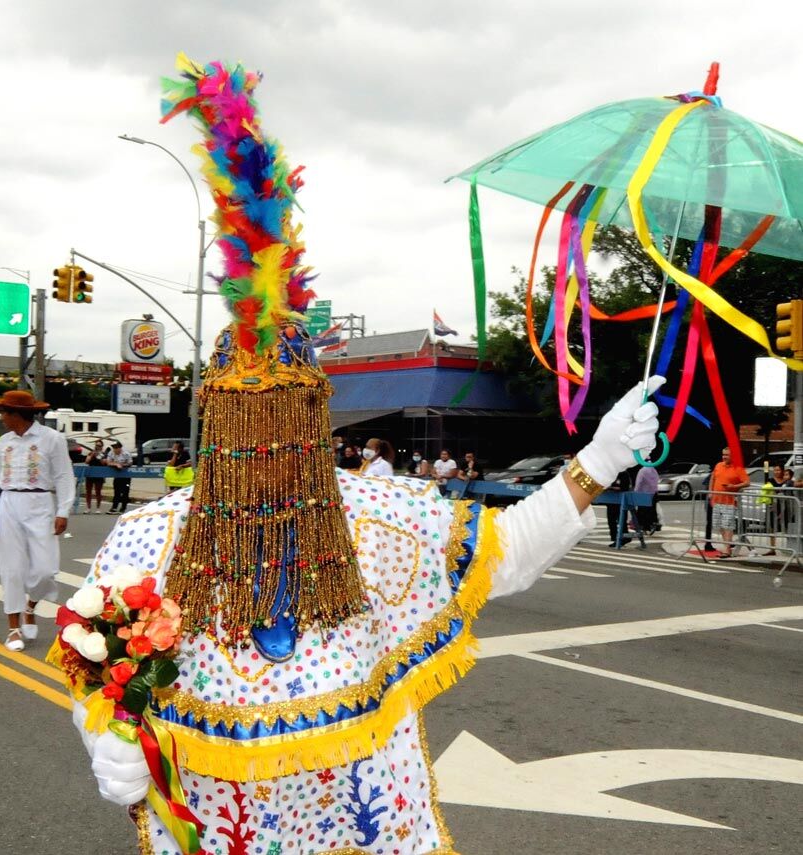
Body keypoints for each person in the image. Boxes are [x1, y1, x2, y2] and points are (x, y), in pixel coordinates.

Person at [59, 57, 664, 855]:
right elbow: (94, 666)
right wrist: (102, 734)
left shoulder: (378, 518)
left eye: (278, 418)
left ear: (313, 417)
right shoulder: (150, 540)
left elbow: (507, 554)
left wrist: (599, 460)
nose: (262, 446)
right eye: (246, 420)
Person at [0, 390, 75, 651]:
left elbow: (65, 477)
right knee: (11, 569)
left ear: (16, 414)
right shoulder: (3, 443)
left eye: (3, 412)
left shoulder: (52, 439)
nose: (1, 417)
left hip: (41, 504)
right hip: (9, 503)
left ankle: (30, 604)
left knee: (46, 570)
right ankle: (13, 628)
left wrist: (63, 511)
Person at [708, 446, 749, 557]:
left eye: (727, 455)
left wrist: (734, 486)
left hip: (729, 501)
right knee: (719, 525)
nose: (724, 457)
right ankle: (727, 545)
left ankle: (727, 549)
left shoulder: (738, 468)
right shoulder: (718, 465)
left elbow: (746, 482)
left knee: (728, 525)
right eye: (723, 454)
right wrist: (710, 492)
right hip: (717, 500)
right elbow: (713, 477)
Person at [605, 467, 633, 547]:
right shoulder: (612, 474)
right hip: (611, 500)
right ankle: (615, 538)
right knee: (611, 520)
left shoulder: (624, 474)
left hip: (621, 501)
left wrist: (612, 488)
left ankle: (623, 537)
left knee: (621, 520)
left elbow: (624, 487)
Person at [105, 440, 132, 514]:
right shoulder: (111, 453)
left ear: (120, 448)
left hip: (126, 475)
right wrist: (116, 464)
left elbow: (130, 462)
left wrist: (122, 465)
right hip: (117, 475)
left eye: (116, 448)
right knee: (116, 491)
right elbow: (108, 462)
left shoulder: (126, 453)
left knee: (125, 491)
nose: (115, 449)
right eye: (114, 448)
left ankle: (123, 508)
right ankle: (114, 507)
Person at [634, 463, 660, 535]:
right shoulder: (654, 470)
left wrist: (636, 492)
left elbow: (638, 483)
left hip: (644, 494)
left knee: (642, 510)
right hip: (653, 494)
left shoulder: (642, 471)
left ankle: (643, 527)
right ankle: (653, 523)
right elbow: (657, 480)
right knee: (652, 510)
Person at [83, 439, 106, 513]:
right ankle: (88, 508)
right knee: (88, 491)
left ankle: (98, 508)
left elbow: (104, 463)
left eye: (99, 446)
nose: (97, 447)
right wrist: (93, 454)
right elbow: (87, 461)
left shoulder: (103, 454)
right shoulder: (91, 453)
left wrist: (99, 457)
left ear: (102, 447)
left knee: (98, 491)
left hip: (99, 474)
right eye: (96, 445)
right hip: (90, 474)